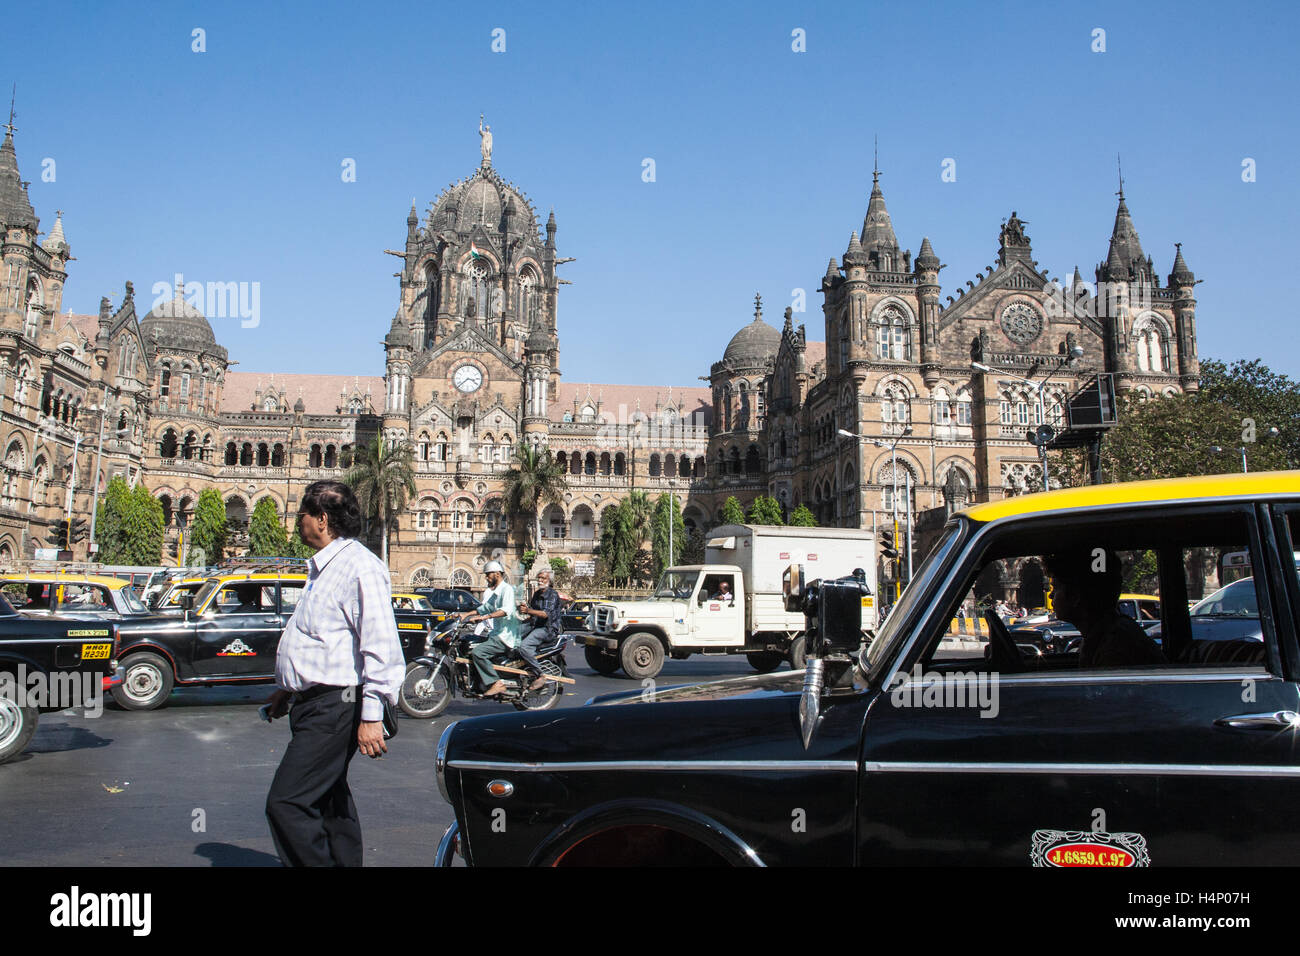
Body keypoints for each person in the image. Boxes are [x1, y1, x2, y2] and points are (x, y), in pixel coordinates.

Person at [264, 480, 404, 867]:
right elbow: (319, 638)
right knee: (329, 799)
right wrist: (287, 689)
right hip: (314, 703)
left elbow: (380, 647)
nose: (298, 522)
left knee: (287, 801)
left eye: (302, 514)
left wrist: (372, 716)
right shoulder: (325, 567)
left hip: (336, 706)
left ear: (322, 519)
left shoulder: (360, 567)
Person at [1045, 548, 1166, 668]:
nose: (1051, 595)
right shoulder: (1102, 636)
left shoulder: (1116, 647)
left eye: (1056, 588)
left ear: (1075, 596)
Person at [456, 561, 519, 697]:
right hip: (496, 633)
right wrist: (466, 615)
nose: (486, 577)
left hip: (505, 636)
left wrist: (485, 618)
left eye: (488, 574)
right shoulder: (497, 592)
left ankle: (496, 683)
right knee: (470, 644)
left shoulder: (506, 589)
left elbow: (505, 610)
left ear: (497, 574)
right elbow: (484, 608)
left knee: (478, 653)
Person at [516, 568, 563, 691]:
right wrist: (524, 610)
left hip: (547, 629)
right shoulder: (537, 594)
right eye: (539, 578)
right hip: (535, 624)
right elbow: (532, 613)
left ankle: (540, 674)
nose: (540, 580)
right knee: (513, 636)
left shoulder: (552, 594)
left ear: (549, 580)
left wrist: (528, 611)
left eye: (543, 578)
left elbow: (545, 614)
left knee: (524, 646)